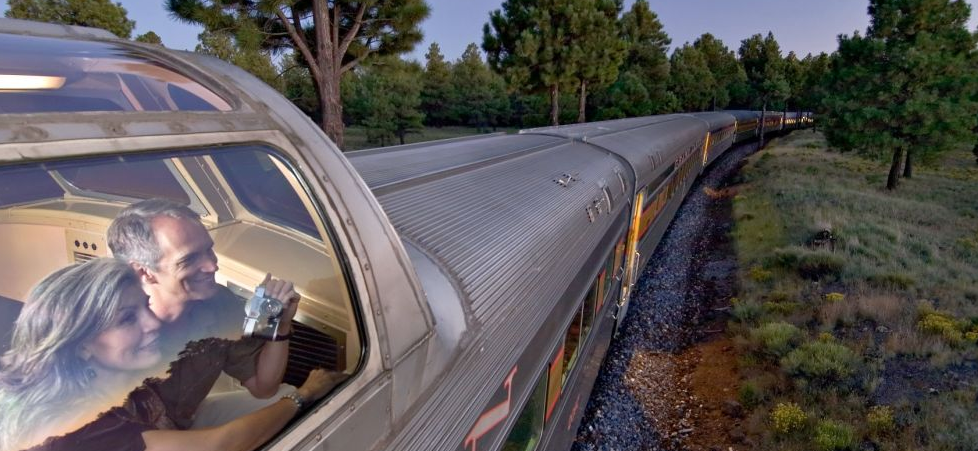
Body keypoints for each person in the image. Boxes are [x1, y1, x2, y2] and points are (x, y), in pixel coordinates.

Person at [0, 259, 336, 451]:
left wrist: (281, 321)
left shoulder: (210, 317)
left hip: (177, 423)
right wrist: (304, 395)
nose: (211, 264)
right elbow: (220, 446)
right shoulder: (83, 425)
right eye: (127, 318)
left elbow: (263, 386)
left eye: (143, 308)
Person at [106, 199, 297, 415]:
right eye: (188, 260)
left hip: (182, 423)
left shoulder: (218, 304)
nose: (212, 266)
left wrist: (279, 325)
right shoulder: (108, 337)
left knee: (290, 397)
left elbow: (263, 388)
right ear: (144, 273)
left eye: (209, 250)